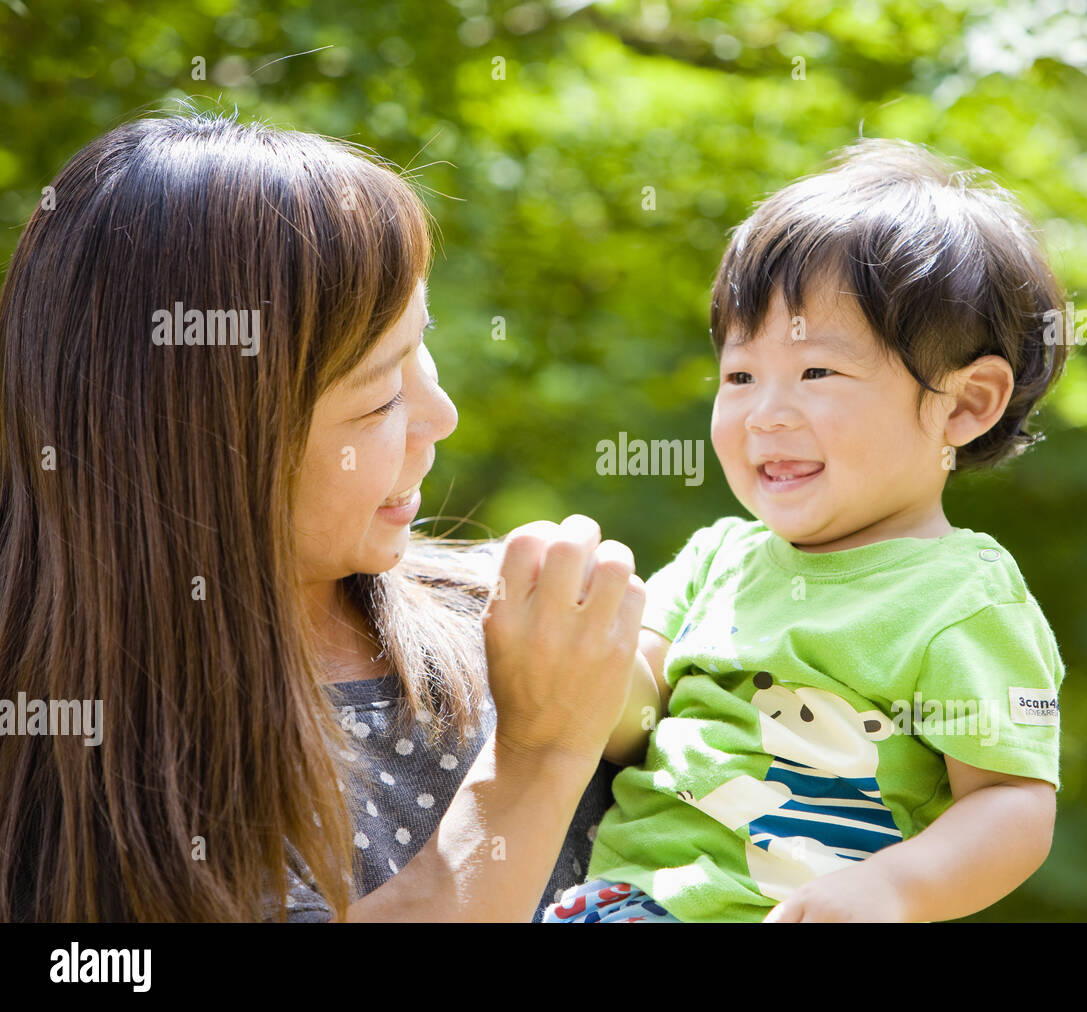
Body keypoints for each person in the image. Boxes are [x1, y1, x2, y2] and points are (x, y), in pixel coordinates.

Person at [0, 108, 644, 922]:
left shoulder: (481, 616)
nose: (440, 414)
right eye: (380, 397)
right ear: (210, 454)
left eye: (424, 341)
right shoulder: (91, 757)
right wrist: (538, 759)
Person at [545, 138, 1071, 923]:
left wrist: (892, 887)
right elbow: (633, 724)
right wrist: (588, 654)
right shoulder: (717, 556)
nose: (766, 413)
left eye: (816, 373)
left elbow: (1011, 804)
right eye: (740, 376)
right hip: (619, 906)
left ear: (963, 406)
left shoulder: (961, 599)